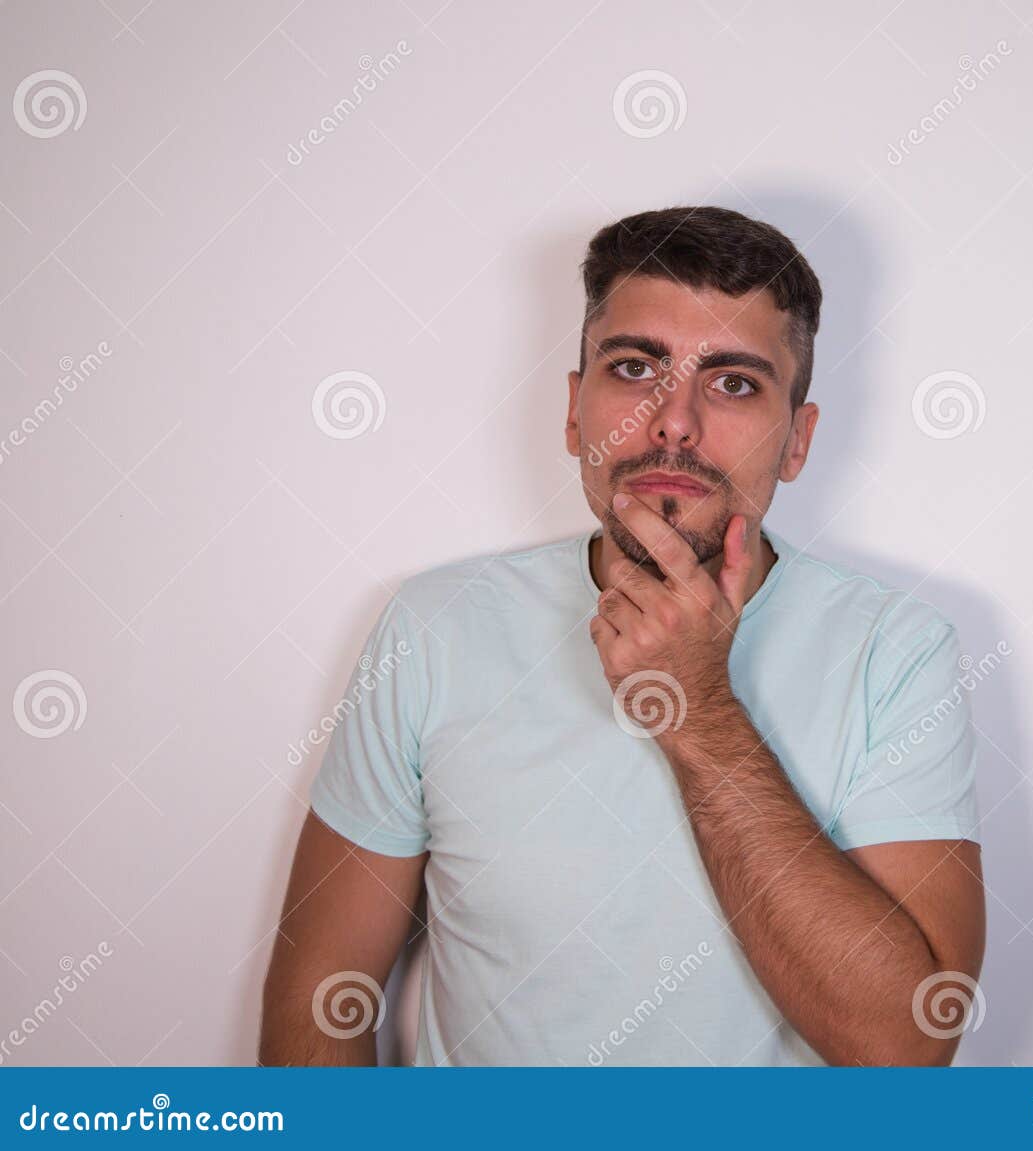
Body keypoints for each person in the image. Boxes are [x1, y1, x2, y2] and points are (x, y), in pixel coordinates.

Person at [259, 206, 986, 1066]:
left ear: (797, 441)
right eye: (636, 368)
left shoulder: (897, 651)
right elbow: (321, 996)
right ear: (575, 411)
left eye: (734, 383)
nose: (674, 422)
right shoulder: (434, 628)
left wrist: (700, 712)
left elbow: (905, 1048)